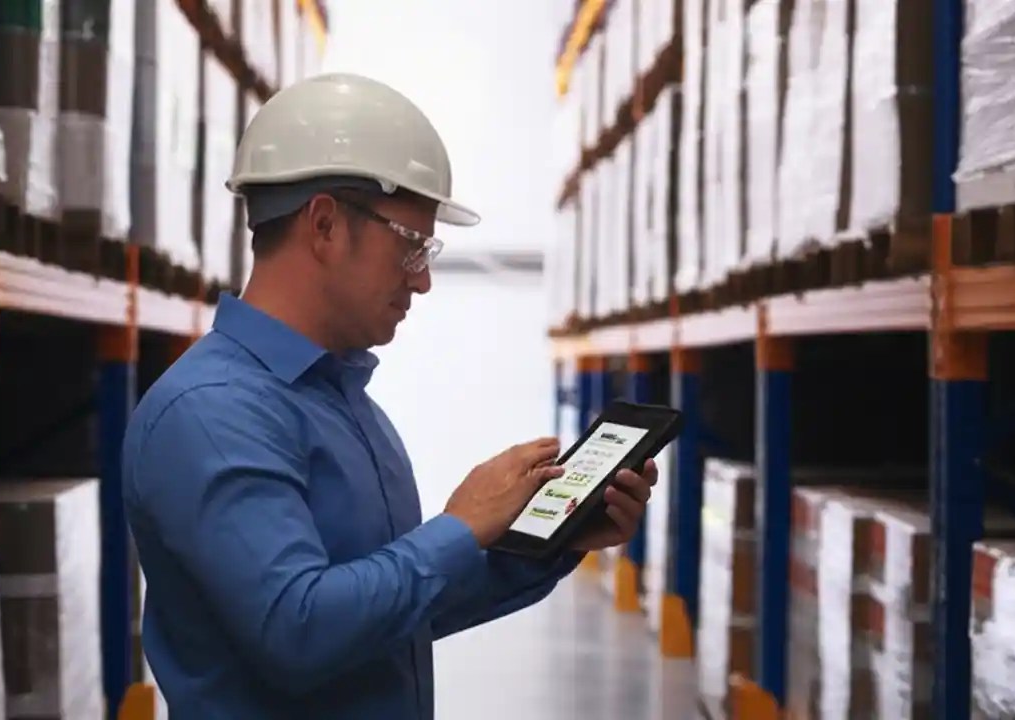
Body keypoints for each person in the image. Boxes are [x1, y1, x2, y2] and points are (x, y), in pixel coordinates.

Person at [120, 72, 658, 720]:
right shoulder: (208, 413)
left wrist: (556, 541)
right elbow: (300, 630)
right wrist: (461, 526)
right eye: (412, 246)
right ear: (323, 226)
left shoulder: (345, 406)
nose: (425, 280)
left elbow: (395, 610)